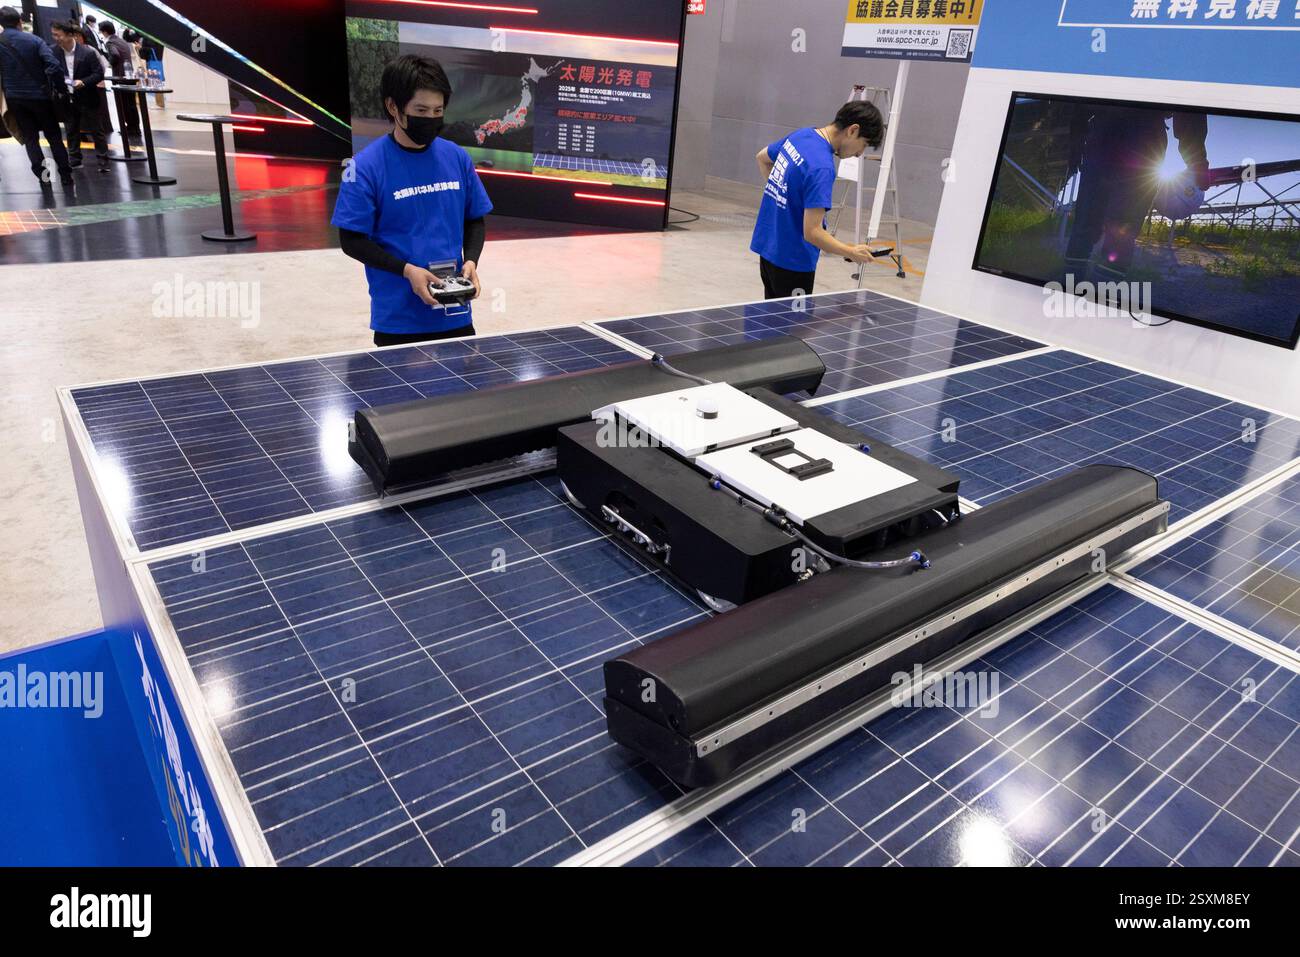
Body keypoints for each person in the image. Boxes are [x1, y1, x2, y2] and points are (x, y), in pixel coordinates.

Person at [332, 54, 492, 347]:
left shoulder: (456, 157)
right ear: (393, 107)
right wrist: (407, 271)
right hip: (399, 320)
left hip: (455, 310)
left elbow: (474, 219)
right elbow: (351, 239)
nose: (430, 120)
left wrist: (471, 260)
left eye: (437, 111)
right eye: (421, 110)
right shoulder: (364, 167)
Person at [750, 101, 885, 300]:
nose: (859, 154)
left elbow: (762, 158)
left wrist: (783, 197)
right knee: (794, 329)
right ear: (853, 130)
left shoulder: (802, 135)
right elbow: (812, 232)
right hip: (793, 262)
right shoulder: (822, 167)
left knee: (773, 322)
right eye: (863, 145)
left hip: (768, 250)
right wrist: (851, 251)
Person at [1063, 104, 1209, 286]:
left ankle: (1069, 286)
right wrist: (1198, 162)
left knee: (1086, 222)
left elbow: (1082, 102)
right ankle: (1100, 292)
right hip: (1143, 145)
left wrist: (1076, 141)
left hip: (1103, 138)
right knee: (1122, 227)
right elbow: (1189, 111)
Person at [0, 5, 73, 186]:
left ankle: (43, 177)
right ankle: (65, 176)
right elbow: (54, 65)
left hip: (14, 98)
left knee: (30, 138)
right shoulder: (34, 40)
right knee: (53, 136)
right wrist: (59, 89)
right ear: (19, 23)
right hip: (40, 96)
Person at [50, 19, 108, 172]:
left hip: (88, 95)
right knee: (71, 129)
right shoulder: (53, 52)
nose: (56, 38)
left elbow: (98, 73)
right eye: (53, 35)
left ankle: (103, 160)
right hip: (67, 98)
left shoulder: (87, 52)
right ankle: (74, 160)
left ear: (70, 35)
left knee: (97, 130)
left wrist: (83, 81)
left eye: (58, 35)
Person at [98, 20, 139, 139]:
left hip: (120, 77)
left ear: (105, 32)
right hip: (129, 76)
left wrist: (109, 64)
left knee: (123, 104)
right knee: (131, 104)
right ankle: (135, 128)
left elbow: (115, 55)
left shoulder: (110, 43)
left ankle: (130, 128)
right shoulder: (122, 41)